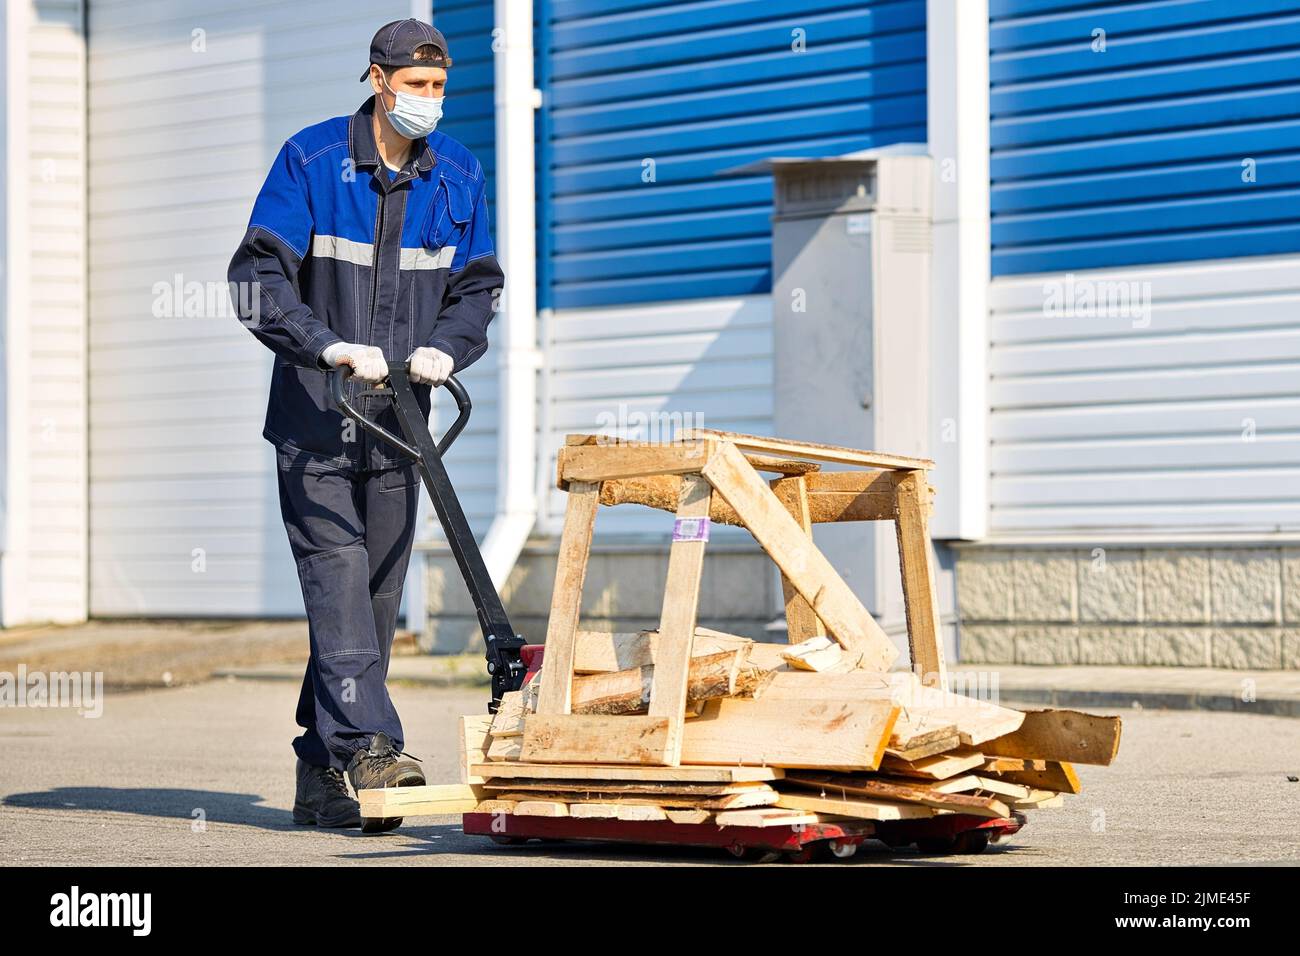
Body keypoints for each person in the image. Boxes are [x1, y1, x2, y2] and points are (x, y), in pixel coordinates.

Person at [227, 19, 503, 832]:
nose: (431, 101)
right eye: (418, 86)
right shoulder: (311, 161)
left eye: (440, 87)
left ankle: (321, 773)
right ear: (379, 81)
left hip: (401, 427)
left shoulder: (457, 175)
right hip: (318, 418)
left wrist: (447, 351)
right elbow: (254, 280)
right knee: (339, 581)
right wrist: (326, 346)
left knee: (374, 601)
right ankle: (373, 746)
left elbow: (476, 288)